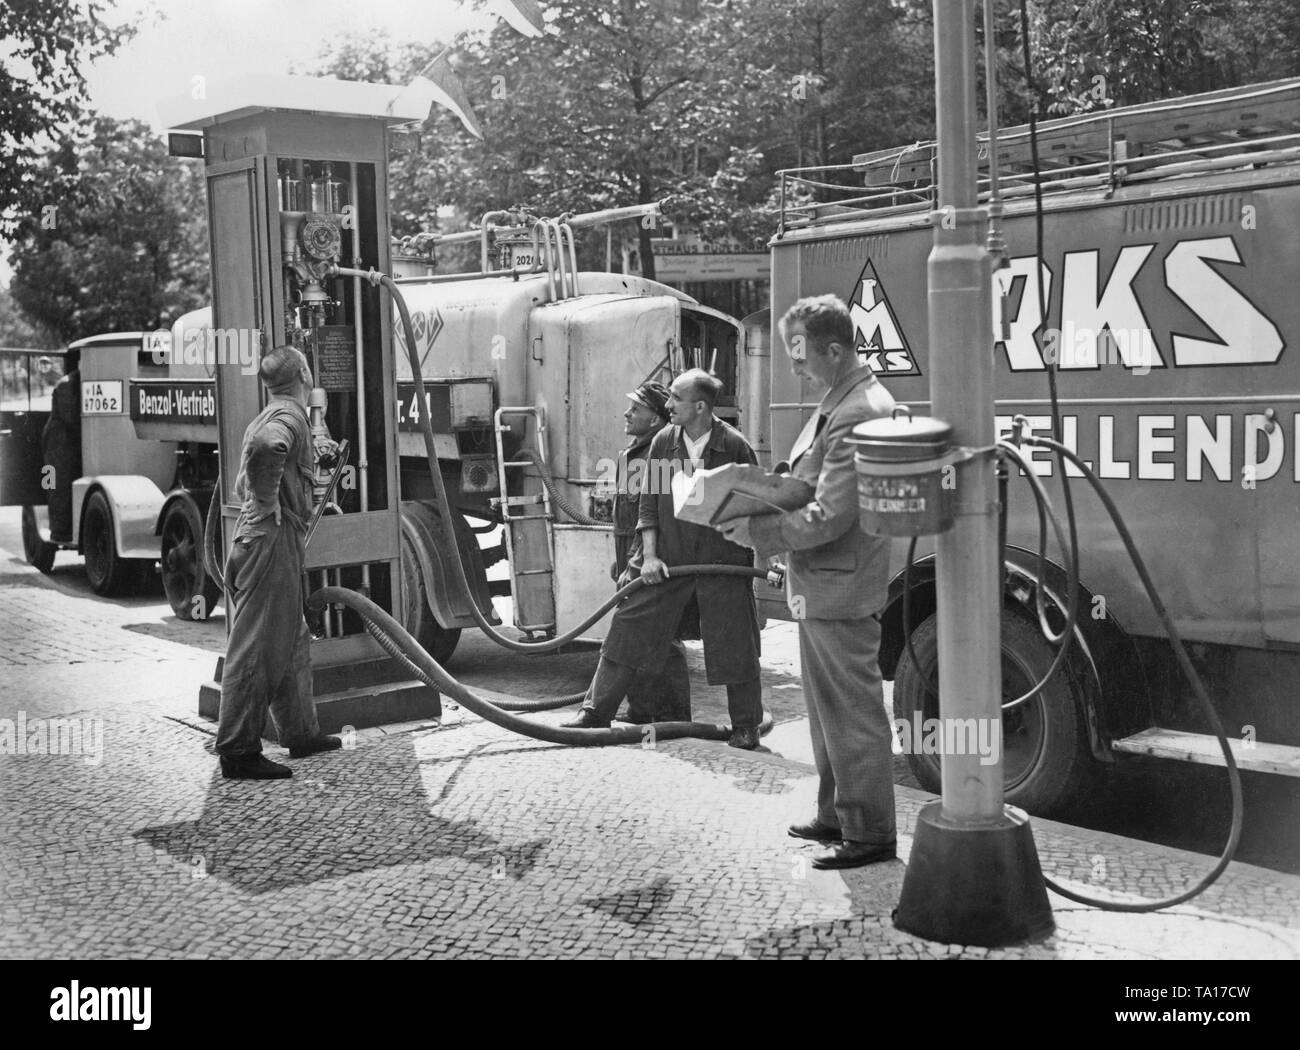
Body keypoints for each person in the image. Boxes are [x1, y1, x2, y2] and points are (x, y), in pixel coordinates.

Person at [718, 295, 898, 868]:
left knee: (851, 712)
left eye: (800, 357)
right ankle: (837, 814)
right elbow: (815, 484)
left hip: (839, 582)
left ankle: (869, 832)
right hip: (825, 582)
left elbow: (833, 515)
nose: (793, 368)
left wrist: (758, 531)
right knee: (826, 712)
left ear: (835, 349)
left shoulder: (858, 411)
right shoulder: (840, 400)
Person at [566, 368, 766, 749]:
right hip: (667, 561)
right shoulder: (662, 443)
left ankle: (746, 725)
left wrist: (760, 559)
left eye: (676, 398)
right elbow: (648, 508)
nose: (668, 405)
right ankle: (595, 712)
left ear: (701, 406)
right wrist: (651, 558)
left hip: (720, 564)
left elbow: (756, 510)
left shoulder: (735, 447)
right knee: (629, 626)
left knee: (735, 642)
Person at [216, 345, 342, 780]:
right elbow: (269, 449)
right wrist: (270, 500)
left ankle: (301, 733)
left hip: (266, 537)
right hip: (270, 538)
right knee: (257, 646)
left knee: (290, 638)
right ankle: (237, 751)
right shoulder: (287, 418)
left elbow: (246, 472)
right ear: (305, 372)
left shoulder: (267, 414)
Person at [612, 381, 691, 724]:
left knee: (661, 634)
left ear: (656, 420)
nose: (627, 413)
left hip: (649, 558)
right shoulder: (631, 455)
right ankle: (645, 710)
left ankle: (672, 714)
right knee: (644, 633)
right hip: (630, 556)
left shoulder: (657, 459)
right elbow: (626, 516)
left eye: (636, 409)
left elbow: (655, 517)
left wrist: (645, 559)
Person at [41, 350, 81, 543]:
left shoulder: (73, 382)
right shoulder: (67, 384)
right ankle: (59, 531)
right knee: (58, 487)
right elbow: (70, 417)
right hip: (59, 445)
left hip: (67, 444)